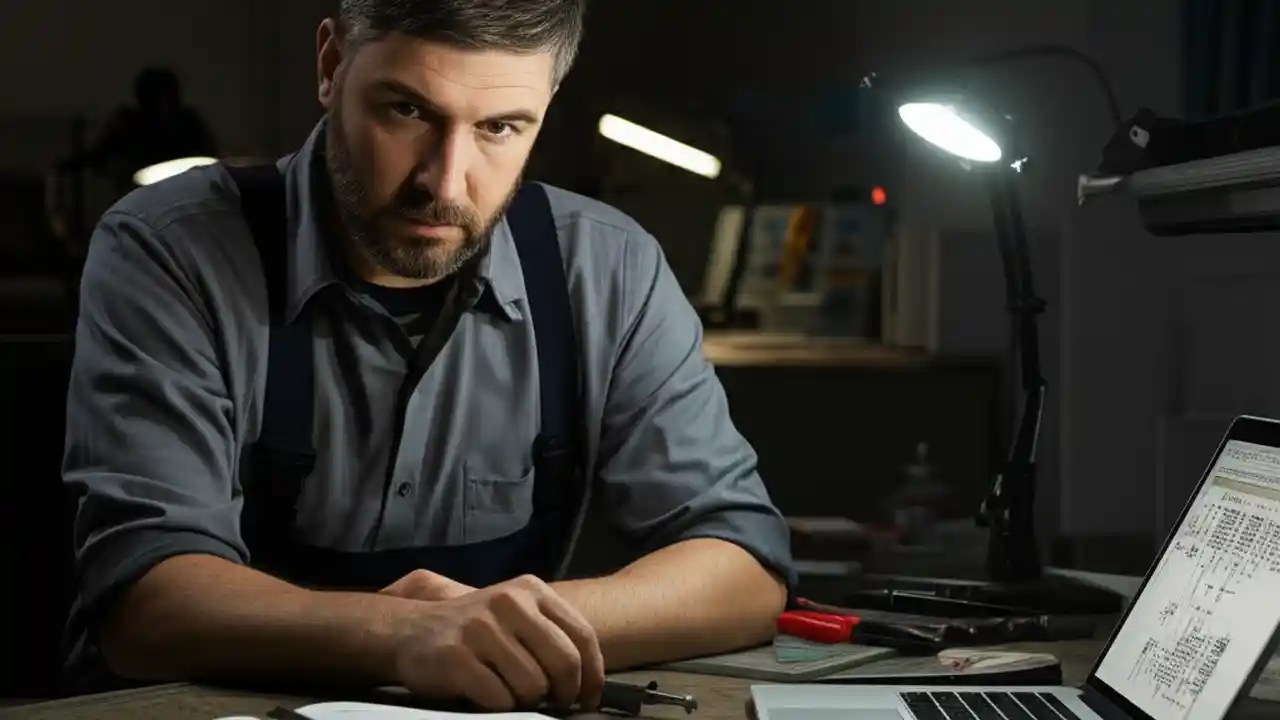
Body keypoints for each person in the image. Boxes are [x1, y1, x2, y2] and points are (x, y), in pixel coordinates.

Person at [62, 0, 793, 711]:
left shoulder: (608, 270)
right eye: (407, 111)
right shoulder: (169, 248)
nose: (445, 183)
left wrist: (499, 632)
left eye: (501, 128)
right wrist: (403, 633)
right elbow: (146, 605)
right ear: (330, 64)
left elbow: (743, 569)